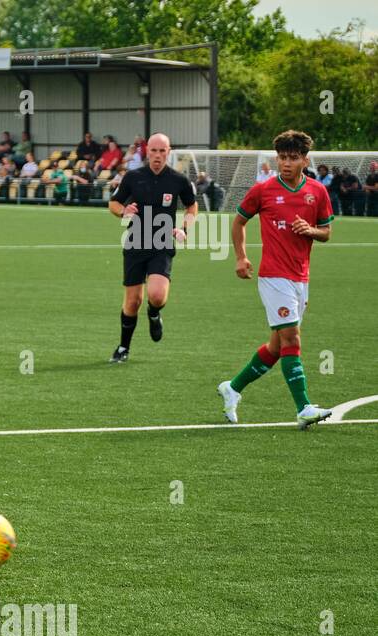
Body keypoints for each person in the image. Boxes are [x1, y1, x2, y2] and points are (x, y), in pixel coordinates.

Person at [218, 130, 334, 429]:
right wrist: (241, 257)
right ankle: (304, 407)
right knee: (292, 339)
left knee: (276, 347)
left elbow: (326, 232)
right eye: (282, 157)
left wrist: (310, 230)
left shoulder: (317, 192)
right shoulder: (263, 190)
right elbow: (239, 221)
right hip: (273, 277)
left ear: (305, 160)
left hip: (300, 278)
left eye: (293, 158)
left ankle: (232, 387)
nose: (286, 163)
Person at [106, 132, 197, 363]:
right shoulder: (133, 177)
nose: (157, 155)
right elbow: (114, 203)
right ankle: (123, 347)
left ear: (169, 152)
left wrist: (184, 228)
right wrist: (123, 211)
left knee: (156, 296)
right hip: (136, 243)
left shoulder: (178, 180)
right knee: (132, 302)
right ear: (147, 152)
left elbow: (191, 206)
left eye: (162, 151)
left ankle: (154, 314)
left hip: (162, 243)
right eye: (153, 150)